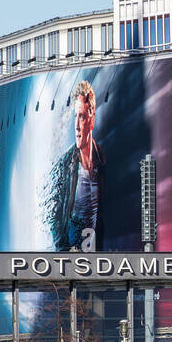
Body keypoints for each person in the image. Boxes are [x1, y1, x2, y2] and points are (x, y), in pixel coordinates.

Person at [47, 79, 107, 251]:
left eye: (81, 117)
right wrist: (65, 252)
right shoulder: (66, 165)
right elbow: (54, 216)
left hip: (95, 258)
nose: (77, 126)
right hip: (70, 259)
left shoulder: (102, 158)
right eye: (75, 116)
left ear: (92, 118)